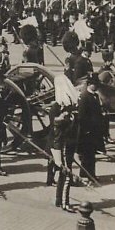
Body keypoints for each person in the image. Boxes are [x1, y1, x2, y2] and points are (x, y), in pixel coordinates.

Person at [48, 74, 80, 211]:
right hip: (62, 145)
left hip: (66, 144)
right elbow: (56, 132)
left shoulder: (63, 107)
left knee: (63, 174)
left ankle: (58, 199)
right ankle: (65, 203)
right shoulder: (58, 108)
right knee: (67, 174)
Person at [75, 74, 105, 185]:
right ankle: (84, 175)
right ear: (88, 84)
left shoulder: (95, 96)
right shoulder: (84, 97)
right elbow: (81, 116)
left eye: (97, 84)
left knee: (92, 155)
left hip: (94, 131)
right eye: (94, 84)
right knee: (86, 155)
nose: (96, 86)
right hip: (87, 132)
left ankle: (91, 174)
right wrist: (86, 130)